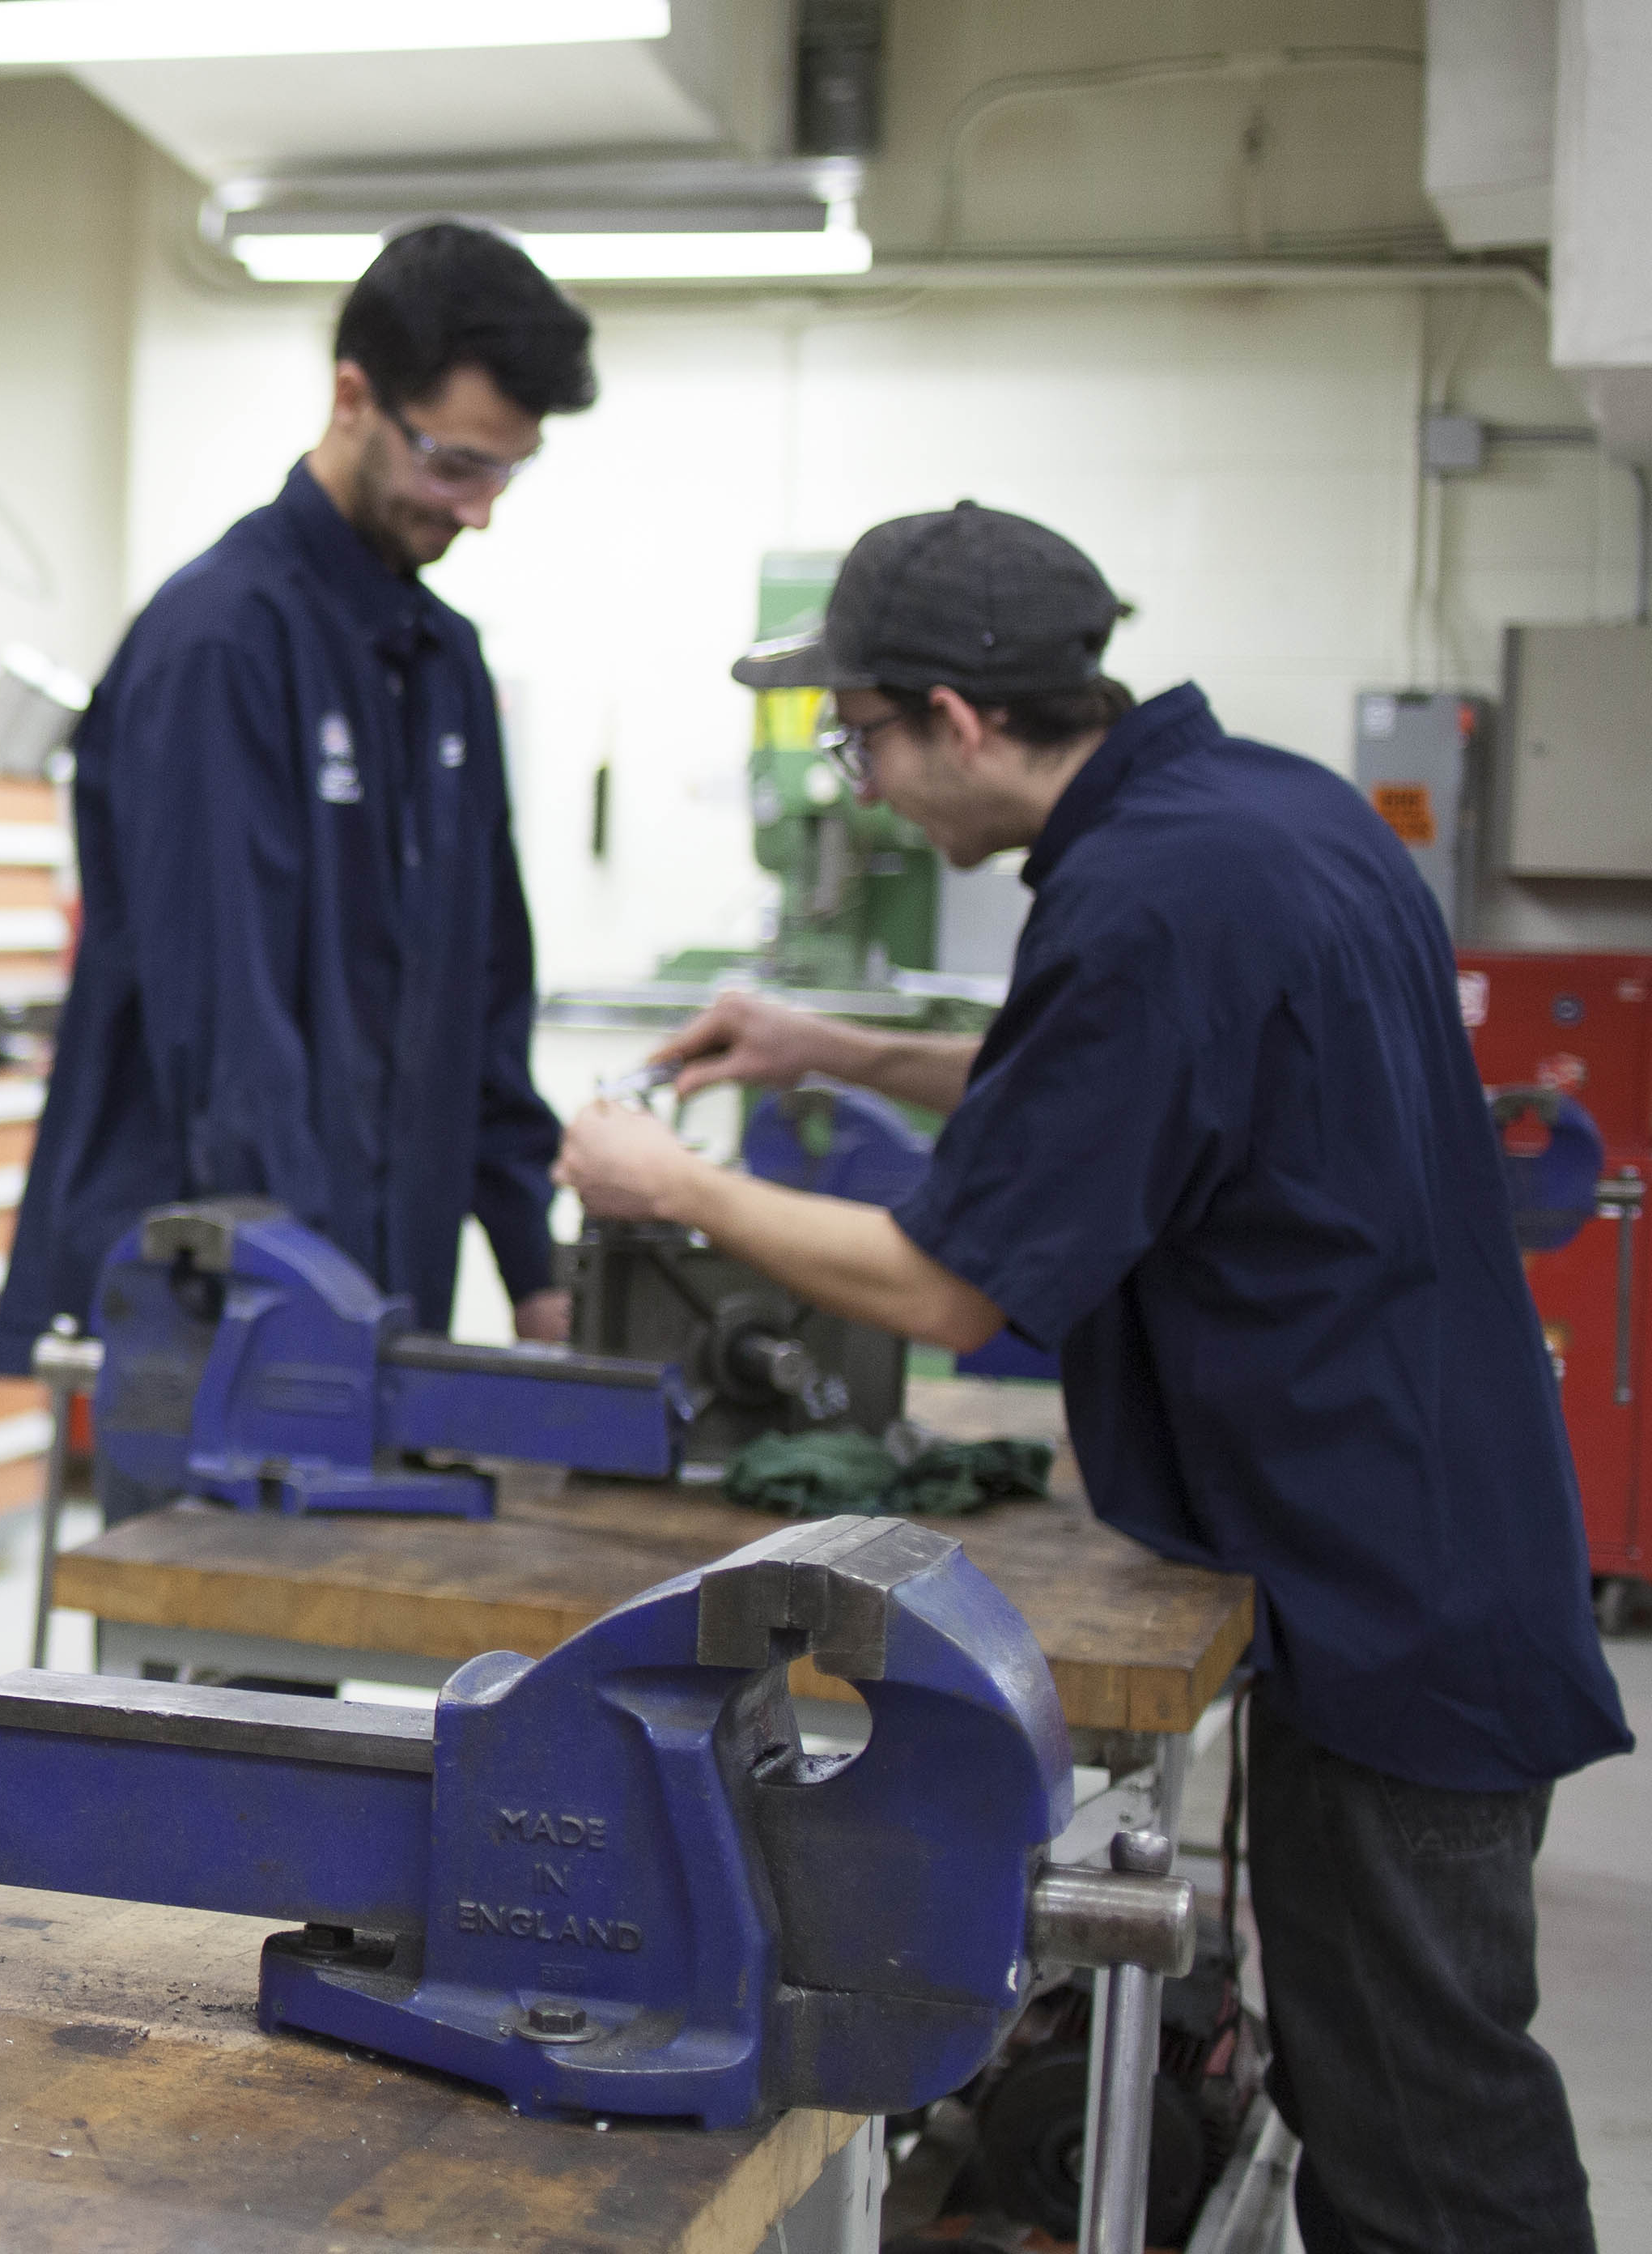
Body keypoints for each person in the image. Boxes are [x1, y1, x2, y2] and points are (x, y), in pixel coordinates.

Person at [555, 502, 1630, 2253]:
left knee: (1428, 2131)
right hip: (1416, 1530)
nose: (867, 781)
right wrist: (833, 1048)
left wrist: (668, 1185)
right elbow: (1108, 1077)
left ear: (959, 721)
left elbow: (947, 1289)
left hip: (1392, 1594)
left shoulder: (1150, 894)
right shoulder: (1264, 814)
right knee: (1391, 2092)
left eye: (864, 736)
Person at [0, 222, 596, 1438]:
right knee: (208, 1627)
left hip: (375, 1306)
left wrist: (534, 1263)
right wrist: (319, 1317)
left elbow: (485, 994)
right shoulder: (219, 643)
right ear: (353, 396)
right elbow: (229, 1038)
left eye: (503, 475)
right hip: (224, 1305)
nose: (477, 513)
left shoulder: (446, 666)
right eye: (452, 463)